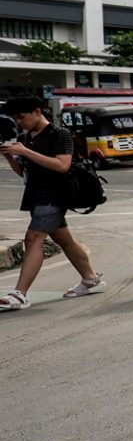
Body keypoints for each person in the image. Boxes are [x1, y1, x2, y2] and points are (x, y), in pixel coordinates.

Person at [0, 96, 104, 311]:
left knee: (33, 237)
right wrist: (11, 157)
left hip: (55, 195)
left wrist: (25, 152)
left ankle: (20, 294)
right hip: (36, 195)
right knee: (64, 239)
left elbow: (62, 165)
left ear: (37, 111)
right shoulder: (26, 137)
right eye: (16, 119)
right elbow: (24, 172)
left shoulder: (60, 134)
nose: (20, 122)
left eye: (22, 117)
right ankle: (90, 279)